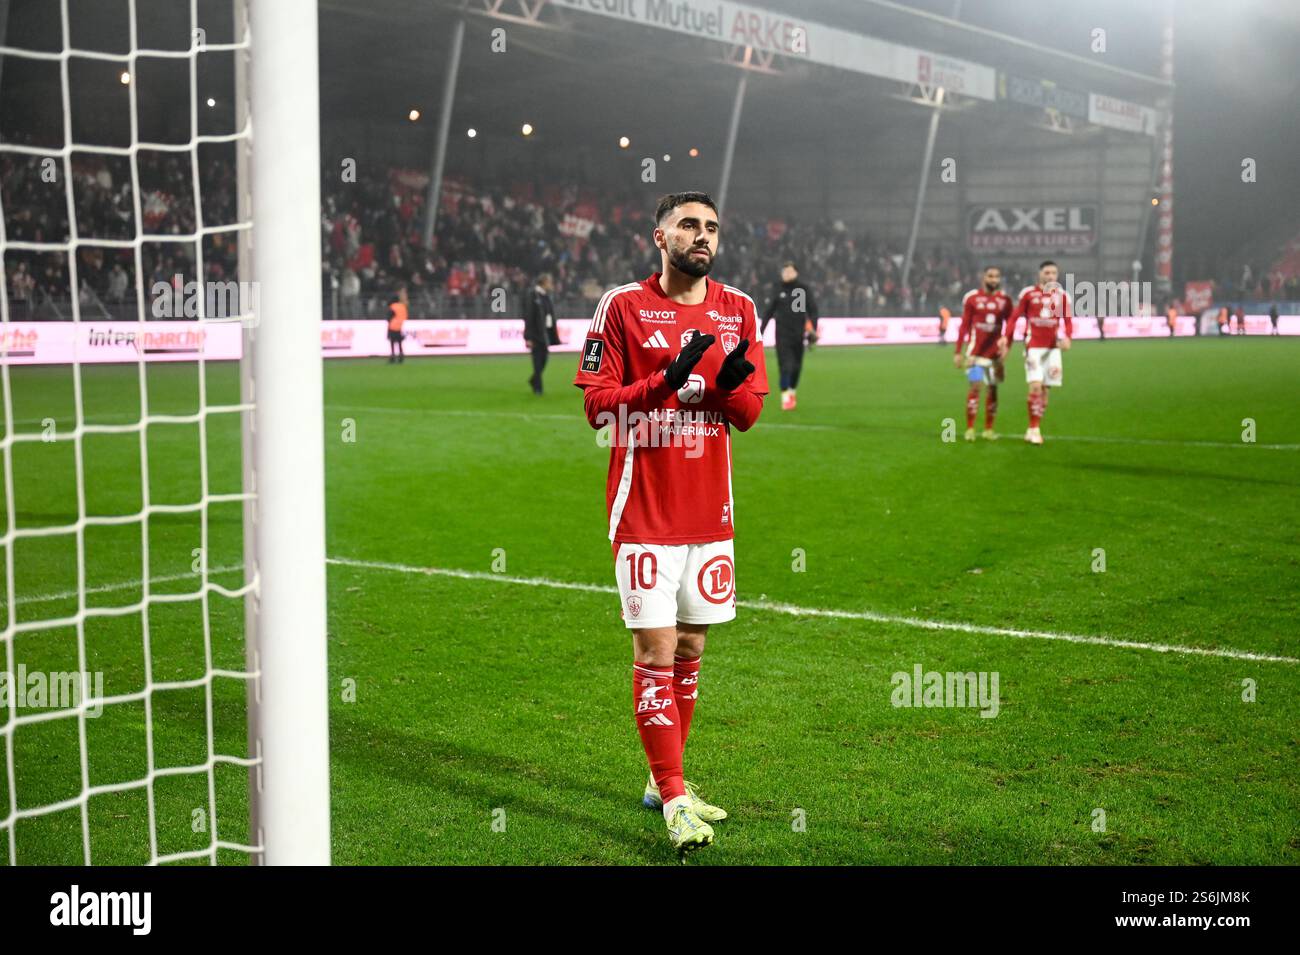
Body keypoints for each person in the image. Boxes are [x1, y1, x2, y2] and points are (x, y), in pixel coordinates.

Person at [572, 191, 767, 855]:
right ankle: (676, 795)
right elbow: (601, 411)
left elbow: (747, 413)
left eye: (712, 226)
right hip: (646, 513)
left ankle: (665, 781)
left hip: (711, 512)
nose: (702, 234)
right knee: (654, 652)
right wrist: (664, 381)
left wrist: (723, 386)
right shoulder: (622, 306)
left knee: (691, 651)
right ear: (660, 235)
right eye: (689, 224)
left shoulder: (739, 309)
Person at [999, 260, 1072, 445]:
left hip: (1053, 349)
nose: (1050, 276)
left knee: (1045, 390)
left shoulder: (1062, 296)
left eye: (1053, 273)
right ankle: (1034, 429)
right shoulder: (1029, 294)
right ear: (1040, 274)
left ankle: (1034, 426)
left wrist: (1068, 337)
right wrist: (1006, 339)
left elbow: (1068, 321)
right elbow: (1014, 318)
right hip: (1033, 347)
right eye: (1047, 272)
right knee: (1035, 386)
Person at [954, 266, 1012, 441]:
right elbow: (964, 325)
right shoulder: (972, 298)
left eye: (997, 276)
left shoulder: (1005, 301)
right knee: (975, 386)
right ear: (983, 277)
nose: (994, 279)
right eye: (990, 276)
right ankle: (970, 428)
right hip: (975, 354)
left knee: (993, 389)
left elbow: (1011, 325)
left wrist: (1007, 344)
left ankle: (988, 429)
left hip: (994, 355)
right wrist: (958, 351)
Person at [760, 261, 819, 410]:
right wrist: (760, 332)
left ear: (796, 273)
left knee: (796, 368)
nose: (786, 274)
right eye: (784, 272)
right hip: (782, 336)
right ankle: (786, 397)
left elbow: (813, 310)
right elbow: (768, 311)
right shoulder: (777, 288)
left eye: (789, 272)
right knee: (786, 366)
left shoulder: (803, 289)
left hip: (798, 335)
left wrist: (813, 329)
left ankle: (791, 391)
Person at [522, 273, 559, 395]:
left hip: (545, 333)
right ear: (543, 282)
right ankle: (538, 388)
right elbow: (529, 316)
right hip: (536, 334)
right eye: (549, 282)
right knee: (537, 361)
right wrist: (528, 337)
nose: (551, 284)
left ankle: (533, 380)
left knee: (544, 359)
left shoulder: (545, 296)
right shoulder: (533, 295)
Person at [386, 285, 408, 363]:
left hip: (392, 327)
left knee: (392, 342)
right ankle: (401, 356)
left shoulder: (393, 306)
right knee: (399, 343)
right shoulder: (403, 306)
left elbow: (389, 317)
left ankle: (392, 356)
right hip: (399, 327)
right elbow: (405, 316)